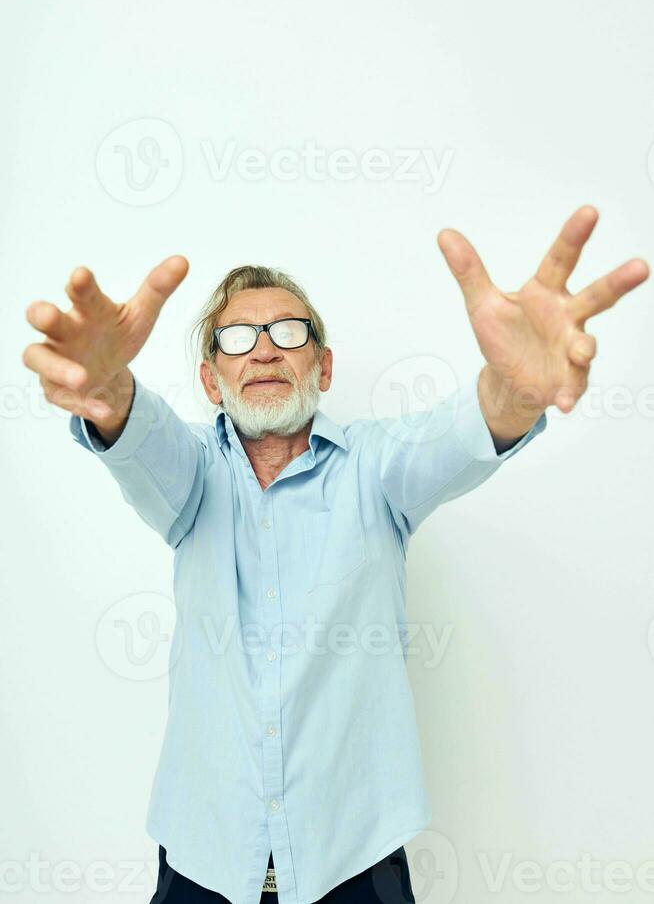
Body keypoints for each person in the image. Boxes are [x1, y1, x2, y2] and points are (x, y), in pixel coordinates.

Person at [21, 207, 649, 904]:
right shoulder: (189, 476)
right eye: (237, 338)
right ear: (211, 381)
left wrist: (515, 389)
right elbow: (140, 433)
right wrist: (107, 388)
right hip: (202, 862)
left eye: (288, 333)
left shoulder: (378, 469)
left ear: (322, 367)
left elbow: (464, 431)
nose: (264, 351)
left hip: (357, 863)